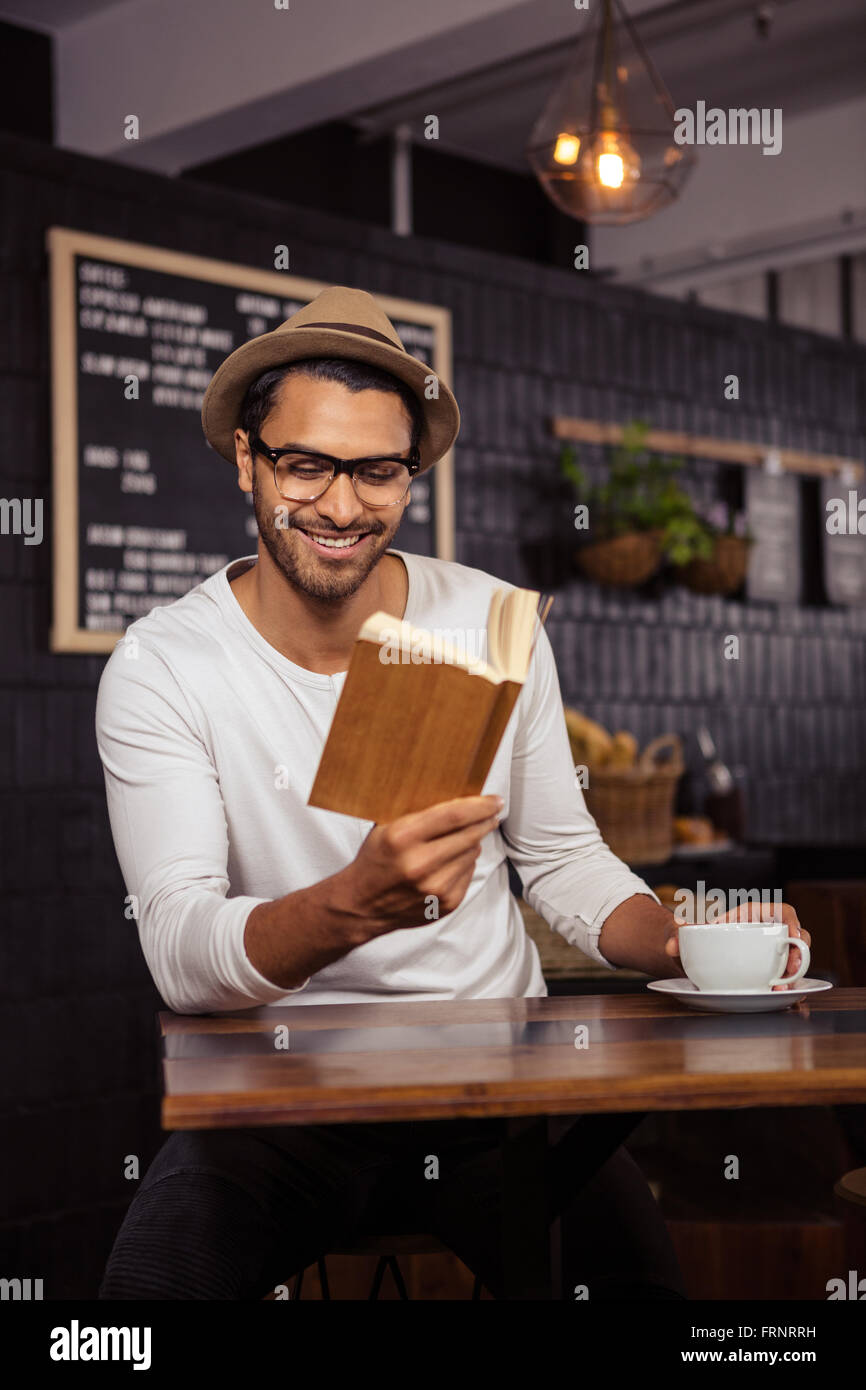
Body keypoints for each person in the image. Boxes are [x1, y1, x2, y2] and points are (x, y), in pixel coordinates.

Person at [95, 286, 807, 1300]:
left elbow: (560, 859)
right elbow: (180, 950)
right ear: (248, 458)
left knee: (640, 1290)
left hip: (496, 1096)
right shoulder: (164, 666)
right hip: (280, 1104)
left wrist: (687, 941)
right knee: (142, 1302)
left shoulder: (485, 618)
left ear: (409, 474)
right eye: (305, 464)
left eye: (377, 471)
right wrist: (350, 905)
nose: (343, 506)